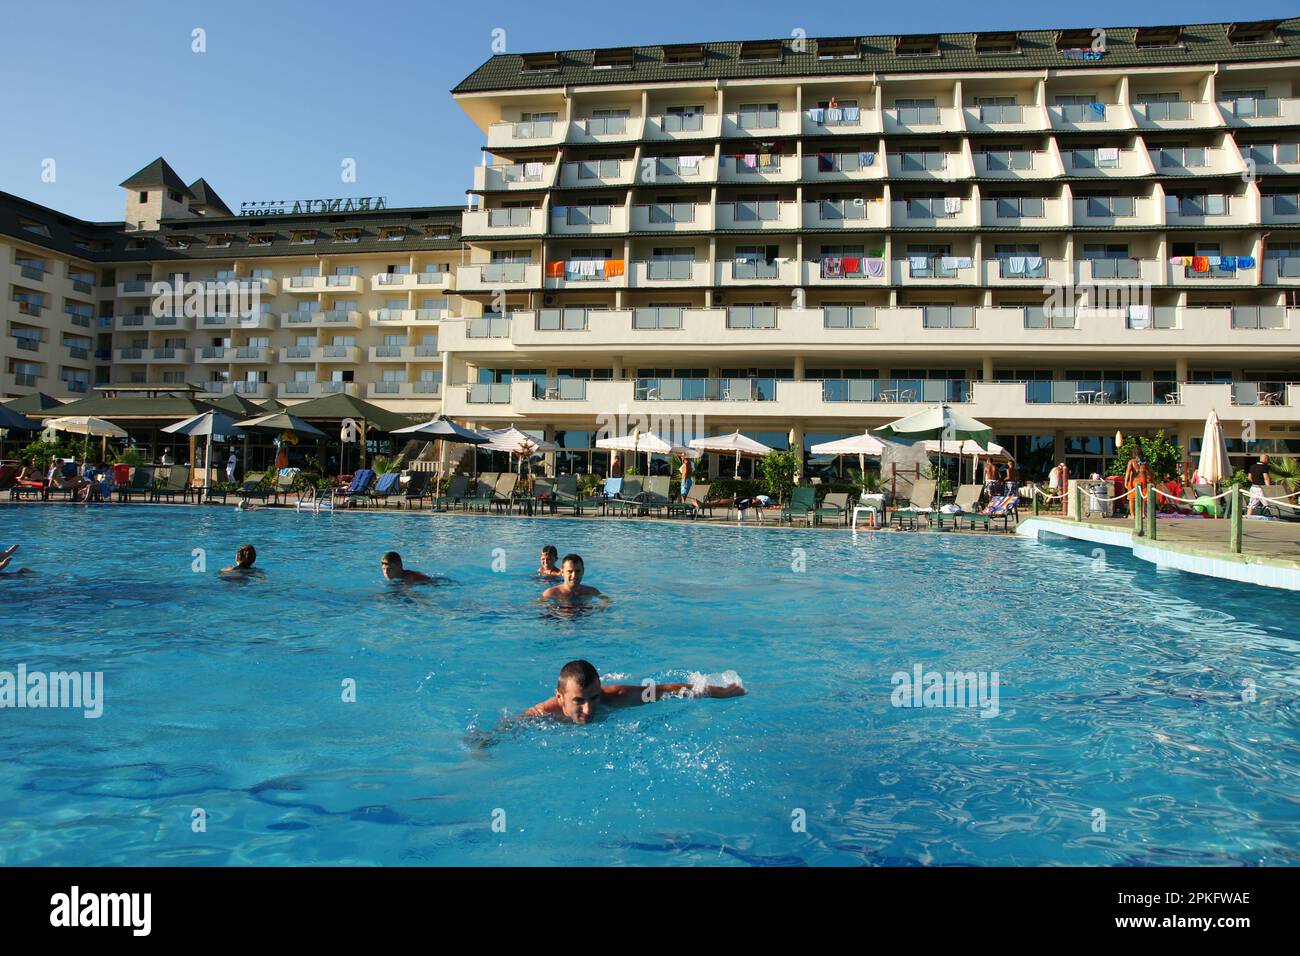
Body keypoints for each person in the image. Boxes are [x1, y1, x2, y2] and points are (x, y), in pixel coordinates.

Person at [522, 659, 746, 725]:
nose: (589, 709)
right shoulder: (543, 713)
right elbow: (507, 729)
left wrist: (717, 692)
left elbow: (666, 690)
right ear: (560, 698)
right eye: (579, 701)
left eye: (594, 698)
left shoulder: (616, 696)